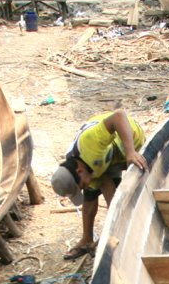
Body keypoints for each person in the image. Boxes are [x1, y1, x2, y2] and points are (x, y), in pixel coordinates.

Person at [51, 110, 147, 260]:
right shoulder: (79, 168)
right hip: (104, 159)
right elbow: (107, 190)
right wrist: (109, 233)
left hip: (128, 137)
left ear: (80, 171)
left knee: (126, 189)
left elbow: (119, 116)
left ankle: (124, 234)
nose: (84, 186)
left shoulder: (90, 143)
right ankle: (86, 239)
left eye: (81, 184)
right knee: (92, 195)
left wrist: (130, 152)